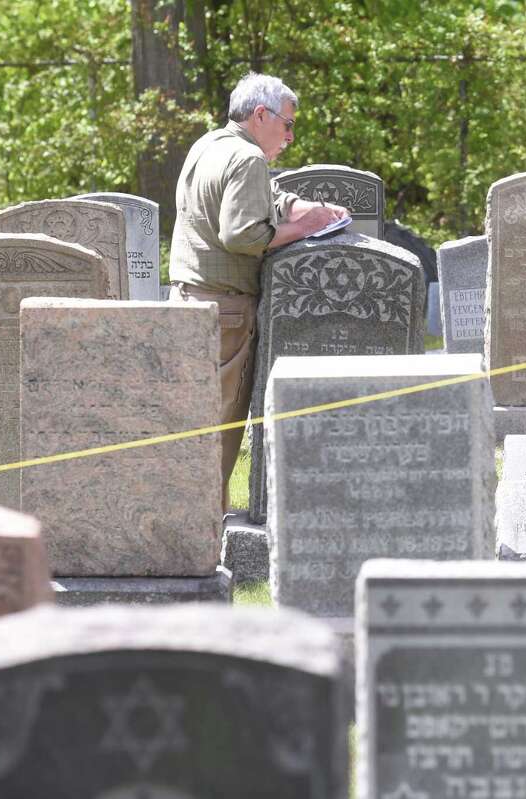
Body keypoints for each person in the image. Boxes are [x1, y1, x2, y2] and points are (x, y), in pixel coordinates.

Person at [169, 71, 347, 511]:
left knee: (196, 420)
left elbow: (253, 195)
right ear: (261, 115)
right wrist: (305, 226)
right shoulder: (248, 158)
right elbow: (243, 235)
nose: (290, 136)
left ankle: (200, 521)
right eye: (287, 124)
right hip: (225, 309)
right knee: (220, 427)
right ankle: (204, 527)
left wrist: (291, 206)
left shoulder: (211, 144)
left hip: (191, 299)